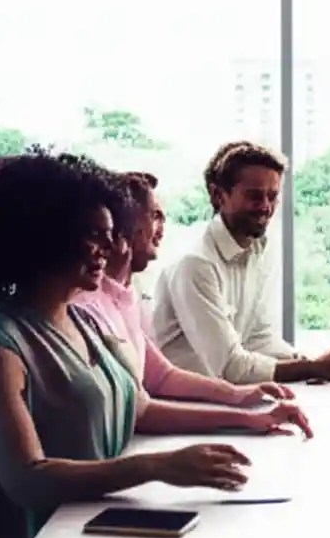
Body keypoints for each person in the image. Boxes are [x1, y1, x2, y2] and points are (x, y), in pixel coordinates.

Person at [0, 149, 312, 538]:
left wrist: (252, 420)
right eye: (92, 236)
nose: (111, 249)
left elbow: (141, 407)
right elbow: (28, 480)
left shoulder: (82, 319)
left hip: (90, 527)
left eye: (108, 234)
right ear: (41, 238)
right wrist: (156, 466)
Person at [74, 171, 298, 408]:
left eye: (272, 196)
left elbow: (162, 376)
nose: (162, 226)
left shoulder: (126, 296)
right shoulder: (90, 307)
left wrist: (238, 396)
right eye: (154, 216)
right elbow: (141, 408)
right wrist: (244, 410)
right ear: (127, 227)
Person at [152, 141, 330, 383]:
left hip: (229, 399)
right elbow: (232, 367)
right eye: (254, 196)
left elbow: (258, 338)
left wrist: (312, 361)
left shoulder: (261, 248)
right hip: (188, 406)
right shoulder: (195, 264)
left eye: (272, 196)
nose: (266, 207)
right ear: (218, 195)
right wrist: (313, 367)